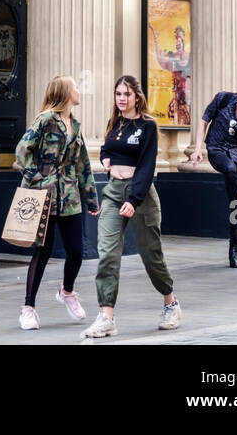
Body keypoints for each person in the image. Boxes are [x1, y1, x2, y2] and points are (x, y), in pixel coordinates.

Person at [84, 74, 181, 338]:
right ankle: (106, 317)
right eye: (118, 94)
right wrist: (105, 160)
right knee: (107, 254)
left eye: (126, 95)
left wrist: (134, 200)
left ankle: (170, 303)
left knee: (151, 255)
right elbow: (107, 148)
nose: (122, 99)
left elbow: (147, 165)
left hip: (141, 195)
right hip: (114, 191)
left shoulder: (147, 126)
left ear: (136, 97)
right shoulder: (115, 122)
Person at [14, 75, 100, 331]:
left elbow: (82, 164)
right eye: (75, 87)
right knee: (43, 251)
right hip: (45, 198)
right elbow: (22, 151)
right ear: (65, 93)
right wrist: (38, 178)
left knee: (76, 251)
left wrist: (91, 199)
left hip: (70, 198)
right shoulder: (46, 119)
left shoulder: (75, 124)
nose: (78, 90)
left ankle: (67, 291)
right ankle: (28, 308)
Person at [190, 72, 237, 268]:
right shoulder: (223, 98)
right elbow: (204, 120)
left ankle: (235, 246)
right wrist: (198, 149)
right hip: (216, 150)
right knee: (230, 170)